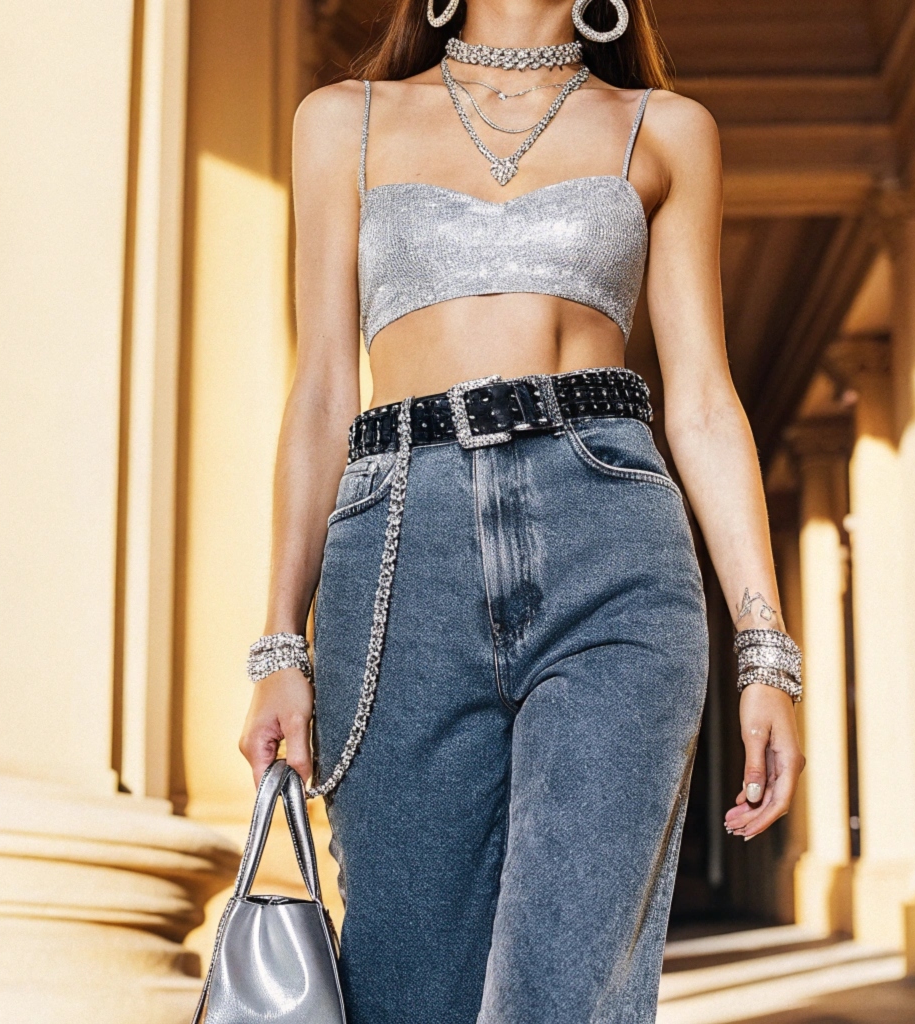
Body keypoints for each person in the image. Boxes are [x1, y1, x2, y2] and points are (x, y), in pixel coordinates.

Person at [236, 0, 807, 1019]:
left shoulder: (663, 129)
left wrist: (765, 652)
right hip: (399, 548)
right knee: (408, 989)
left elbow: (706, 400)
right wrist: (278, 641)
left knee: (562, 988)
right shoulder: (341, 118)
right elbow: (322, 388)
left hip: (612, 543)